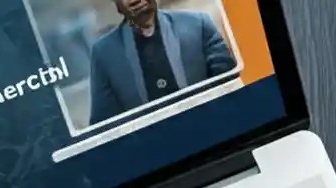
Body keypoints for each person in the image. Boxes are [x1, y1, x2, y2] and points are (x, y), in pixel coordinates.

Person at [88, 0, 237, 125]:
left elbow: (232, 90)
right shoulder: (104, 53)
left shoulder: (199, 25)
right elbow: (104, 127)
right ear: (117, 4)